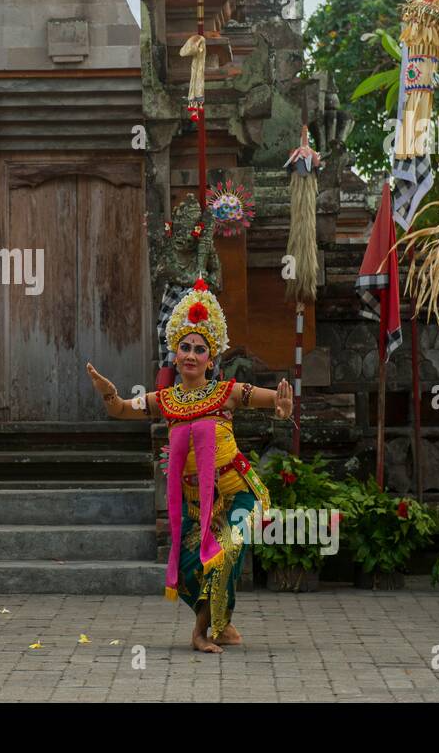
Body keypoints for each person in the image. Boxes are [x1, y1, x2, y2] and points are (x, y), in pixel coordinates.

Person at [86, 277, 292, 653]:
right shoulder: (164, 400)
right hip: (196, 504)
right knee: (183, 570)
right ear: (175, 354)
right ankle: (222, 621)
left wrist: (282, 407)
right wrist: (108, 392)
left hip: (239, 492)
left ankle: (202, 632)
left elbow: (271, 403)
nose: (192, 355)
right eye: (185, 348)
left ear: (211, 359)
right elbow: (119, 409)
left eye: (200, 349)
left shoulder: (227, 393)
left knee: (226, 550)